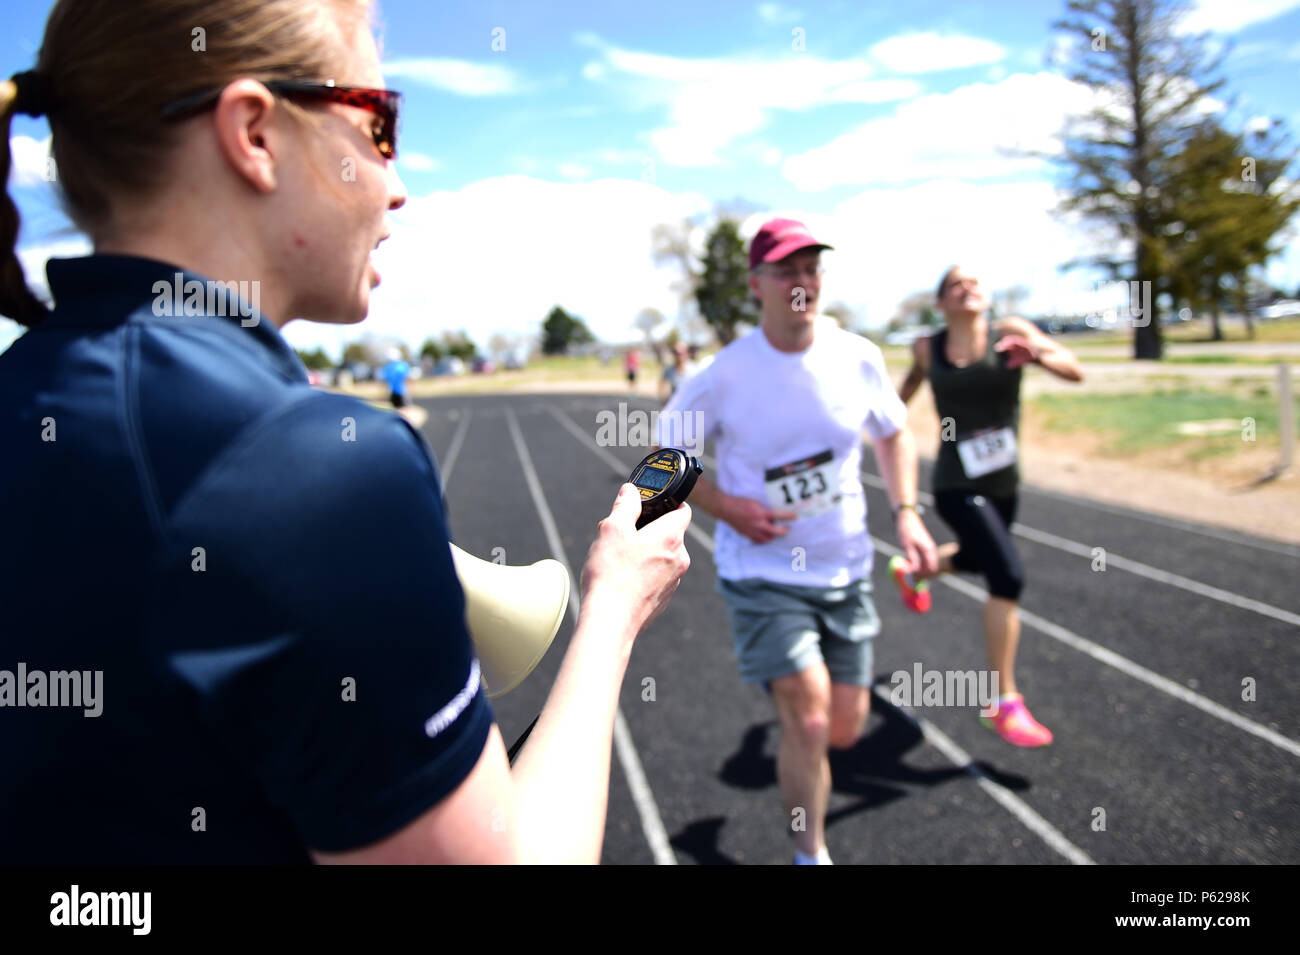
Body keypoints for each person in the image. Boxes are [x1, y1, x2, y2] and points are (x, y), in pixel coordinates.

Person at [0, 0, 690, 865]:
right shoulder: (308, 467)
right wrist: (615, 609)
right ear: (254, 133)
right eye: (378, 123)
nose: (396, 184)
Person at [659, 218, 938, 864]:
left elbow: (894, 433)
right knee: (809, 720)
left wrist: (908, 512)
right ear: (757, 285)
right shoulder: (721, 375)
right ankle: (810, 852)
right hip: (763, 573)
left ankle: (797, 708)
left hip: (846, 567)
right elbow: (663, 463)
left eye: (812, 268)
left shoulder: (857, 356)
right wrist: (728, 508)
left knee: (843, 727)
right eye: (787, 270)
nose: (803, 281)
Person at [896, 265, 1083, 747]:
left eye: (974, 281)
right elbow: (902, 395)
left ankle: (917, 569)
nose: (968, 287)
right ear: (941, 303)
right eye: (955, 284)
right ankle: (1005, 702)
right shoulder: (927, 347)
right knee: (1007, 576)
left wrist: (1037, 354)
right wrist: (880, 424)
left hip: (1003, 482)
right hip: (956, 482)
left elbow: (1074, 370)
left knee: (979, 559)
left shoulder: (1011, 332)